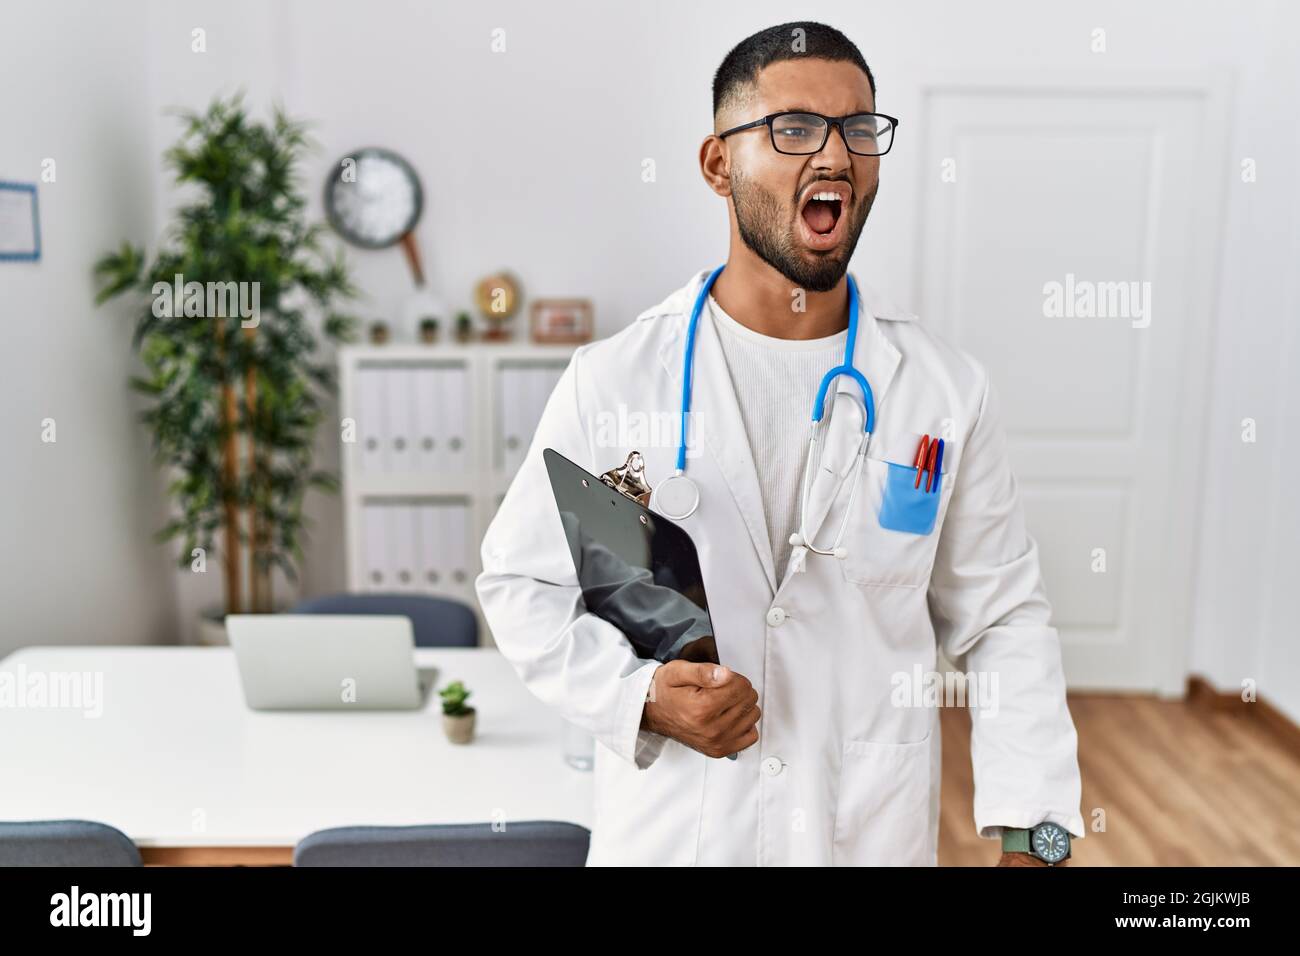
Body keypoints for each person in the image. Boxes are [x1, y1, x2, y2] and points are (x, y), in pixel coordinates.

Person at [477, 21, 1083, 866]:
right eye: (793, 129)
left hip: (865, 831)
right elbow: (520, 584)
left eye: (858, 129)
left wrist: (1037, 836)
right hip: (680, 834)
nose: (834, 156)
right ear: (718, 164)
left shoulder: (942, 391)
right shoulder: (613, 380)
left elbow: (1005, 619)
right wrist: (639, 696)